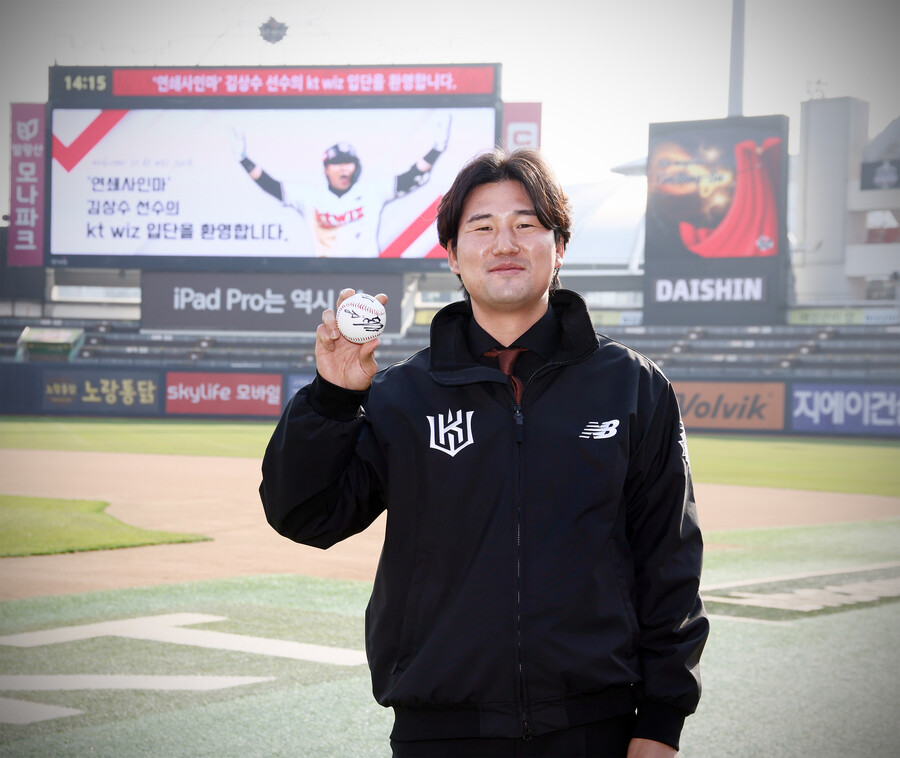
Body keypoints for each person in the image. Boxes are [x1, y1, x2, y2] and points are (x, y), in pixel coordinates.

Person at [260, 148, 708, 757]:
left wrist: (661, 721)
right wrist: (333, 399)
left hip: (593, 726)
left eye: (526, 224)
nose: (505, 243)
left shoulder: (632, 386)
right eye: (482, 227)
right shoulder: (401, 395)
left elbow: (669, 561)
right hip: (439, 729)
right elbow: (305, 516)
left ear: (558, 247)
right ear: (452, 254)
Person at [233, 114, 450, 257]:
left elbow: (410, 177)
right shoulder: (310, 196)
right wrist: (243, 159)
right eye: (336, 163)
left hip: (369, 272)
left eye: (348, 163)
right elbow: (271, 185)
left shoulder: (371, 192)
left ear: (355, 166)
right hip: (324, 272)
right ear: (326, 168)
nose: (343, 169)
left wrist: (437, 149)